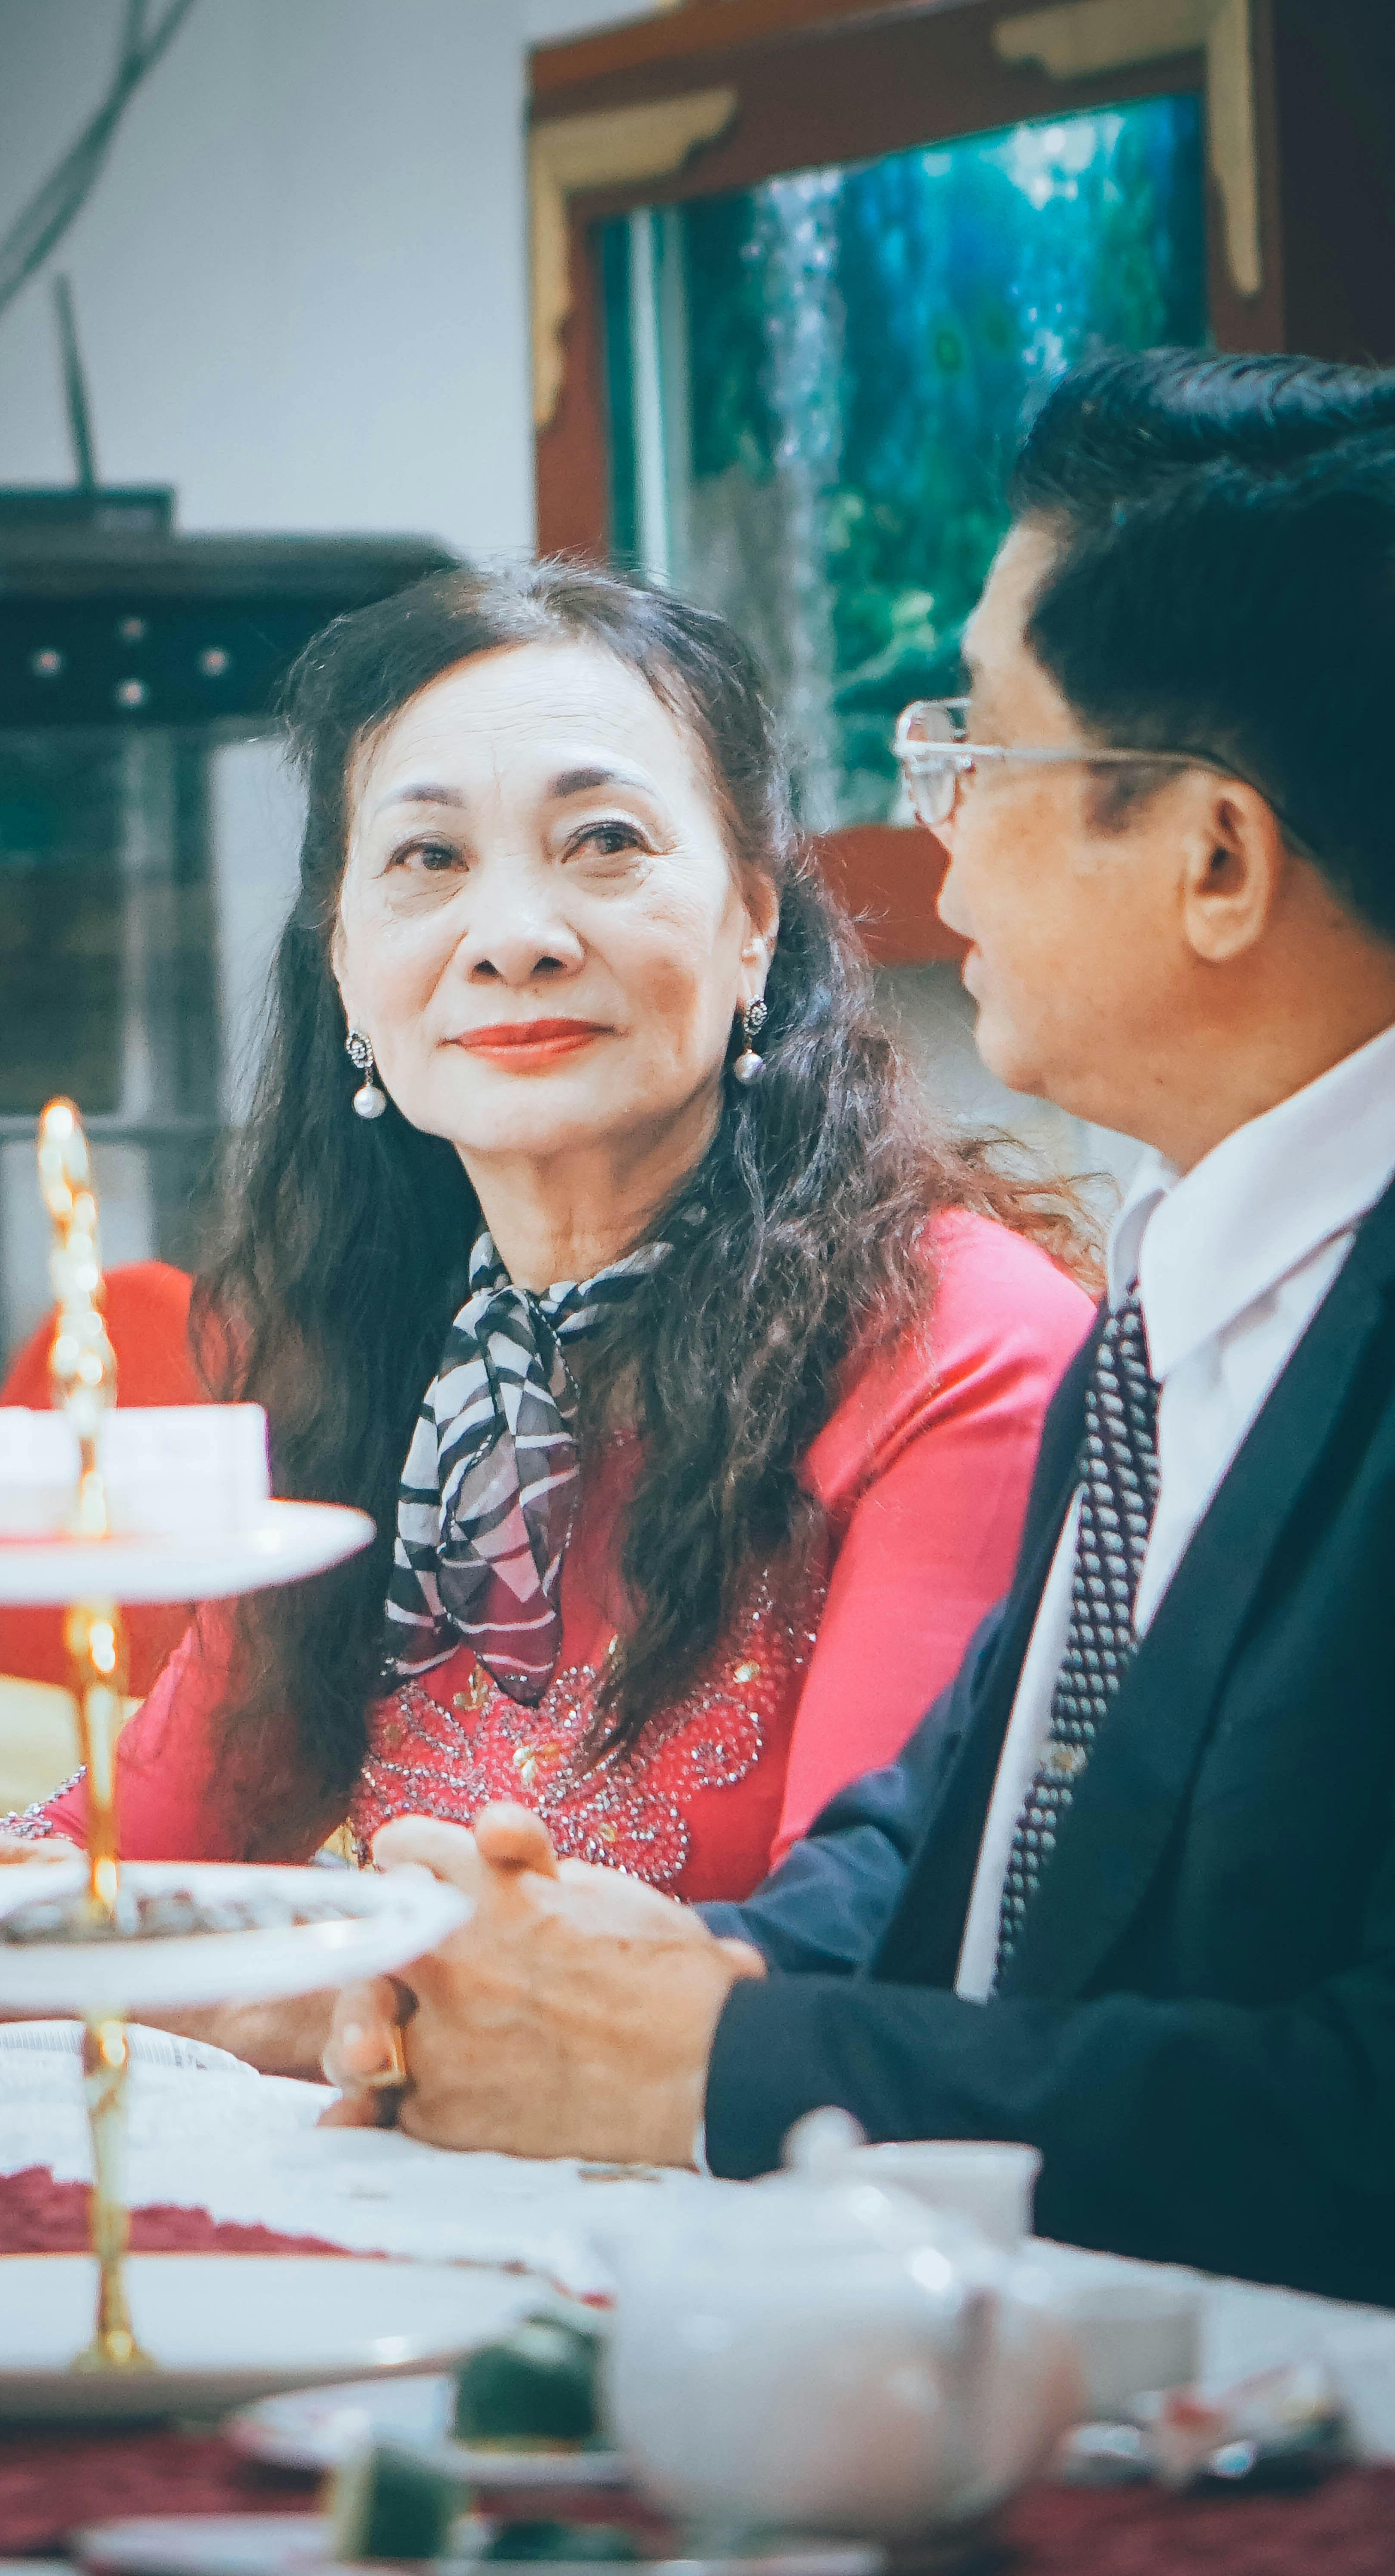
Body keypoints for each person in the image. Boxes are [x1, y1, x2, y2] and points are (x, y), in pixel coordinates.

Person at [320, 349, 1395, 2310]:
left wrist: (710, 2065)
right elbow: (967, 1835)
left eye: (980, 751)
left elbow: (1361, 2114)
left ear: (1216, 860)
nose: (936, 832)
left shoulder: (998, 1319)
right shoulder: (1193, 1268)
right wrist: (663, 1977)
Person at [0, 565, 1090, 1942]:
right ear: (345, 959)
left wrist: (275, 1993)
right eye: (429, 860)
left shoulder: (961, 1344)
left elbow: (869, 1968)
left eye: (605, 843)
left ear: (754, 922)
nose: (515, 939)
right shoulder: (394, 1346)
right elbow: (162, 1831)